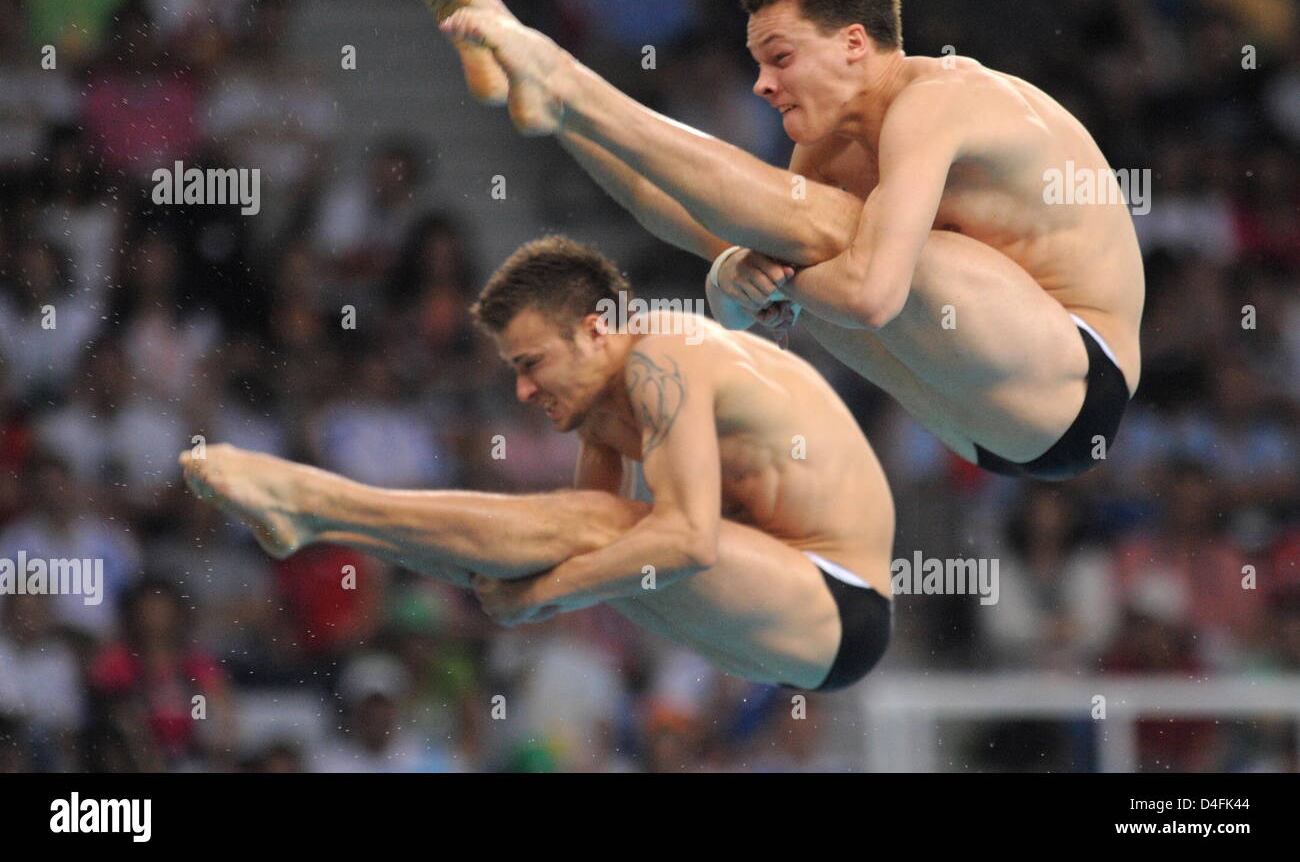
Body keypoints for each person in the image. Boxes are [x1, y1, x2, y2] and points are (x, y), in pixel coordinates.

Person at [423, 0, 1144, 480]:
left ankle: (567, 83)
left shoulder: (940, 101)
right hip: (978, 421)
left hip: (1077, 380)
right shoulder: (829, 148)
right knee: (750, 226)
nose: (763, 86)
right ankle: (558, 114)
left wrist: (753, 276)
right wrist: (737, 280)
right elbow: (763, 307)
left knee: (808, 236)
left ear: (855, 44)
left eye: (781, 58)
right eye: (758, 65)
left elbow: (867, 295)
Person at [180, 237, 894, 691]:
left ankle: (319, 502)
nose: (522, 391)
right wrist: (533, 591)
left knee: (584, 539)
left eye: (532, 365)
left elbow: (686, 541)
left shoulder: (661, 358)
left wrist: (536, 598)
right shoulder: (602, 411)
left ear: (593, 331)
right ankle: (325, 524)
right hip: (775, 608)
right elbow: (565, 550)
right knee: (551, 547)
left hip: (838, 598)